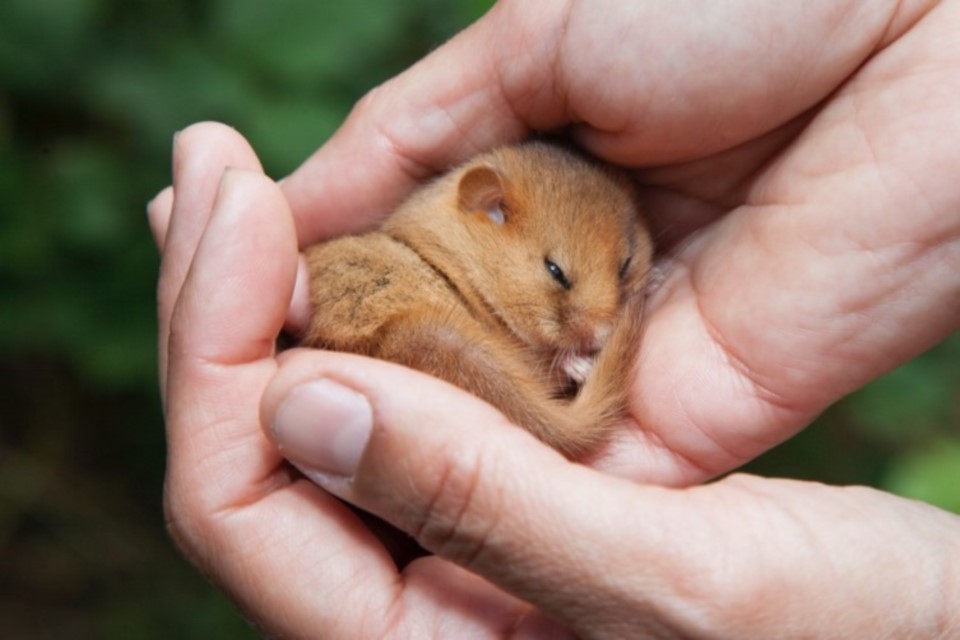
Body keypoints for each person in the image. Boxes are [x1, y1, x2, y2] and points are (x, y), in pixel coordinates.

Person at [148, 2, 960, 637]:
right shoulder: (457, 225)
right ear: (489, 210)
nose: (598, 320)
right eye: (560, 278)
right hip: (392, 317)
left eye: (624, 274)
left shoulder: (597, 220)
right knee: (431, 345)